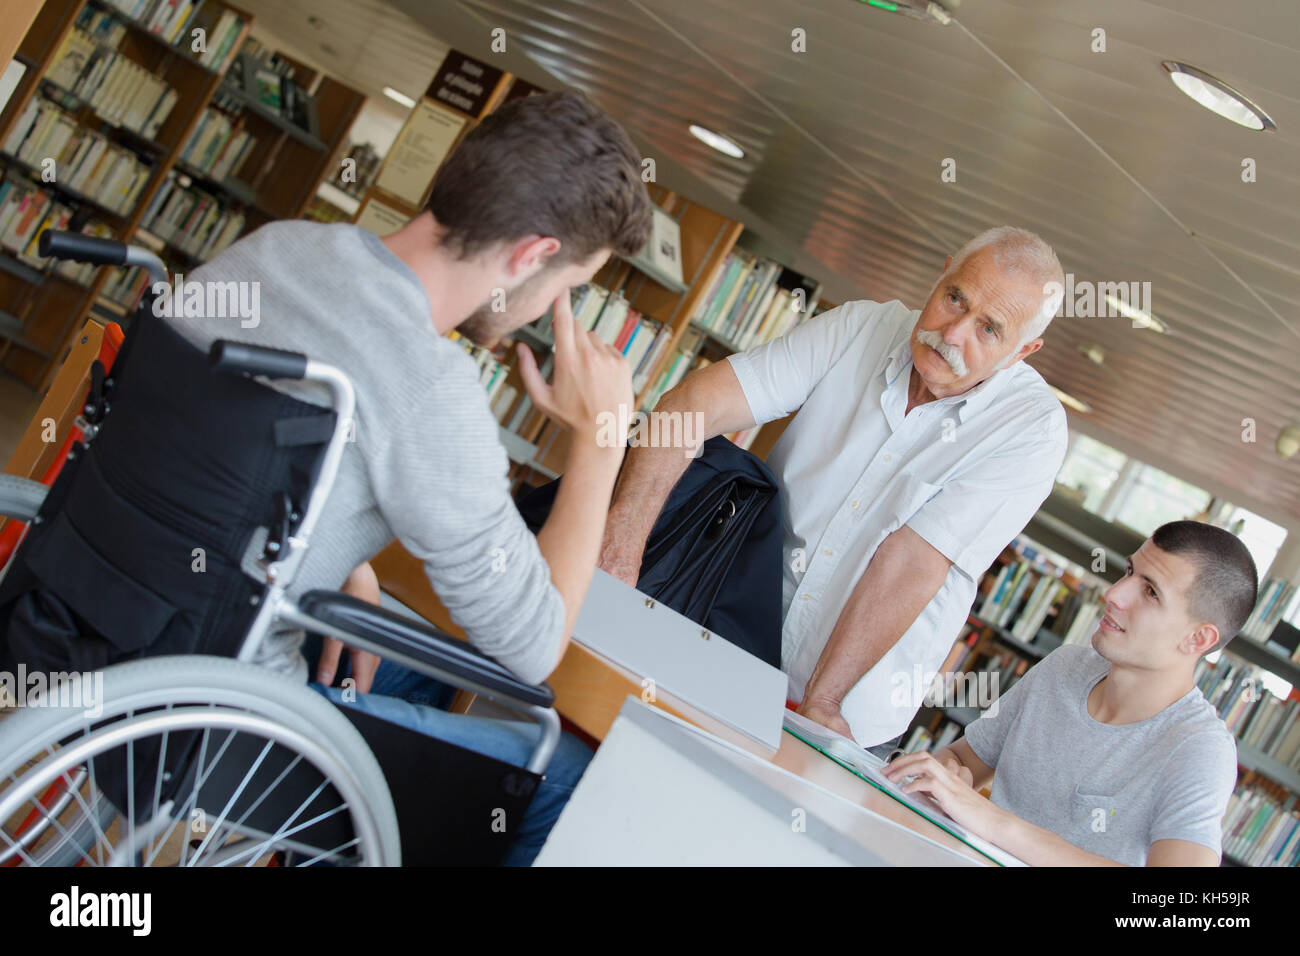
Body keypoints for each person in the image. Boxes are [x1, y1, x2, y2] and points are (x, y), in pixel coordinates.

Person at [169, 89, 654, 864]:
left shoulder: (278, 250)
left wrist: (350, 558)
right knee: (561, 769)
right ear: (531, 256)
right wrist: (600, 443)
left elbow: (219, 449)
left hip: (94, 618)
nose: (551, 309)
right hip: (228, 714)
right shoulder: (431, 390)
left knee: (416, 667)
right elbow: (532, 647)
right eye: (567, 287)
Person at [599, 226, 1069, 754]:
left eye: (989, 329)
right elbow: (693, 406)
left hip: (849, 707)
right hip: (725, 634)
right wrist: (620, 548)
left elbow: (910, 561)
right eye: (954, 298)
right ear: (942, 273)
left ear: (1023, 351)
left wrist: (823, 701)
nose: (954, 332)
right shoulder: (860, 326)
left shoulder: (1032, 430)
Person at [882, 521, 1252, 866]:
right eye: (1128, 573)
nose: (1114, 594)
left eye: (1151, 592)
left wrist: (995, 823)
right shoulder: (1064, 667)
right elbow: (963, 759)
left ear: (1198, 639)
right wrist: (949, 778)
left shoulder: (1200, 749)